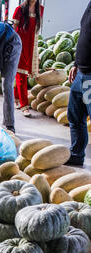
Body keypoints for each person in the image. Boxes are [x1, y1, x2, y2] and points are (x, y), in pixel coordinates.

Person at [66, 1, 91, 166]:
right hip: (81, 73)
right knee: (75, 116)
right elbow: (84, 33)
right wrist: (75, 63)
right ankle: (76, 154)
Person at [13, 0, 44, 117]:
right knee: (21, 76)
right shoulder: (19, 10)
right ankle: (24, 106)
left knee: (22, 75)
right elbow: (14, 30)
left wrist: (37, 51)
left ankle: (16, 98)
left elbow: (36, 32)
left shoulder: (40, 9)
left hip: (32, 47)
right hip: (20, 46)